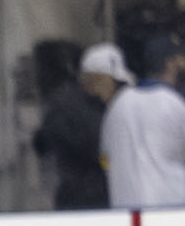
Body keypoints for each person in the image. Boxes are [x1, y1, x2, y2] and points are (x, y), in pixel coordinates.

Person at [102, 37, 185, 208]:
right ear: (170, 64)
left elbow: (105, 159)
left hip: (125, 213)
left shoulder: (119, 104)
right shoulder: (173, 105)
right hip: (169, 213)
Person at [32, 40, 127, 209]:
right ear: (97, 80)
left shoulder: (80, 107)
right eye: (114, 83)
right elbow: (101, 152)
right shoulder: (73, 109)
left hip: (91, 200)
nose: (116, 90)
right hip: (85, 203)